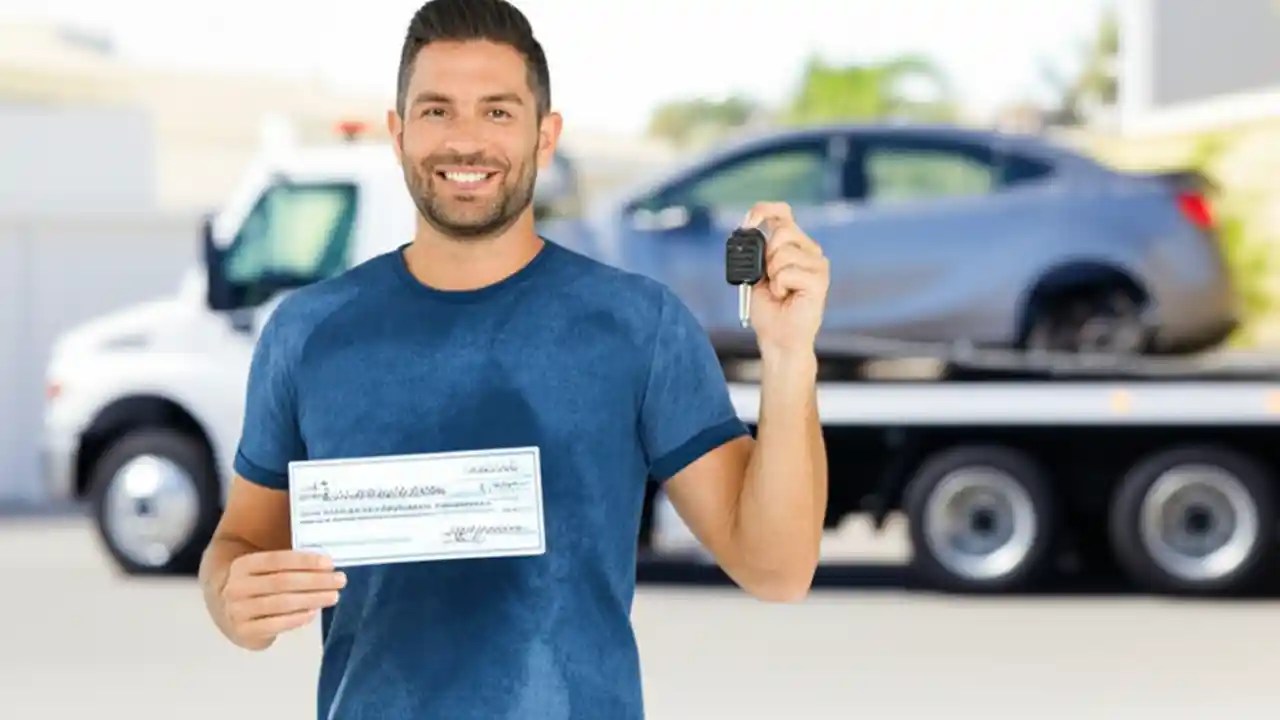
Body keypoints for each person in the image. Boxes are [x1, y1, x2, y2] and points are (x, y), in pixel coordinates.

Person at [197, 0, 831, 717]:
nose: (465, 141)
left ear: (545, 135)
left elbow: (777, 569)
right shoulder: (307, 332)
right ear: (398, 133)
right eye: (437, 111)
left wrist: (788, 355)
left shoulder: (636, 325)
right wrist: (230, 596)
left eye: (497, 112)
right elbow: (240, 542)